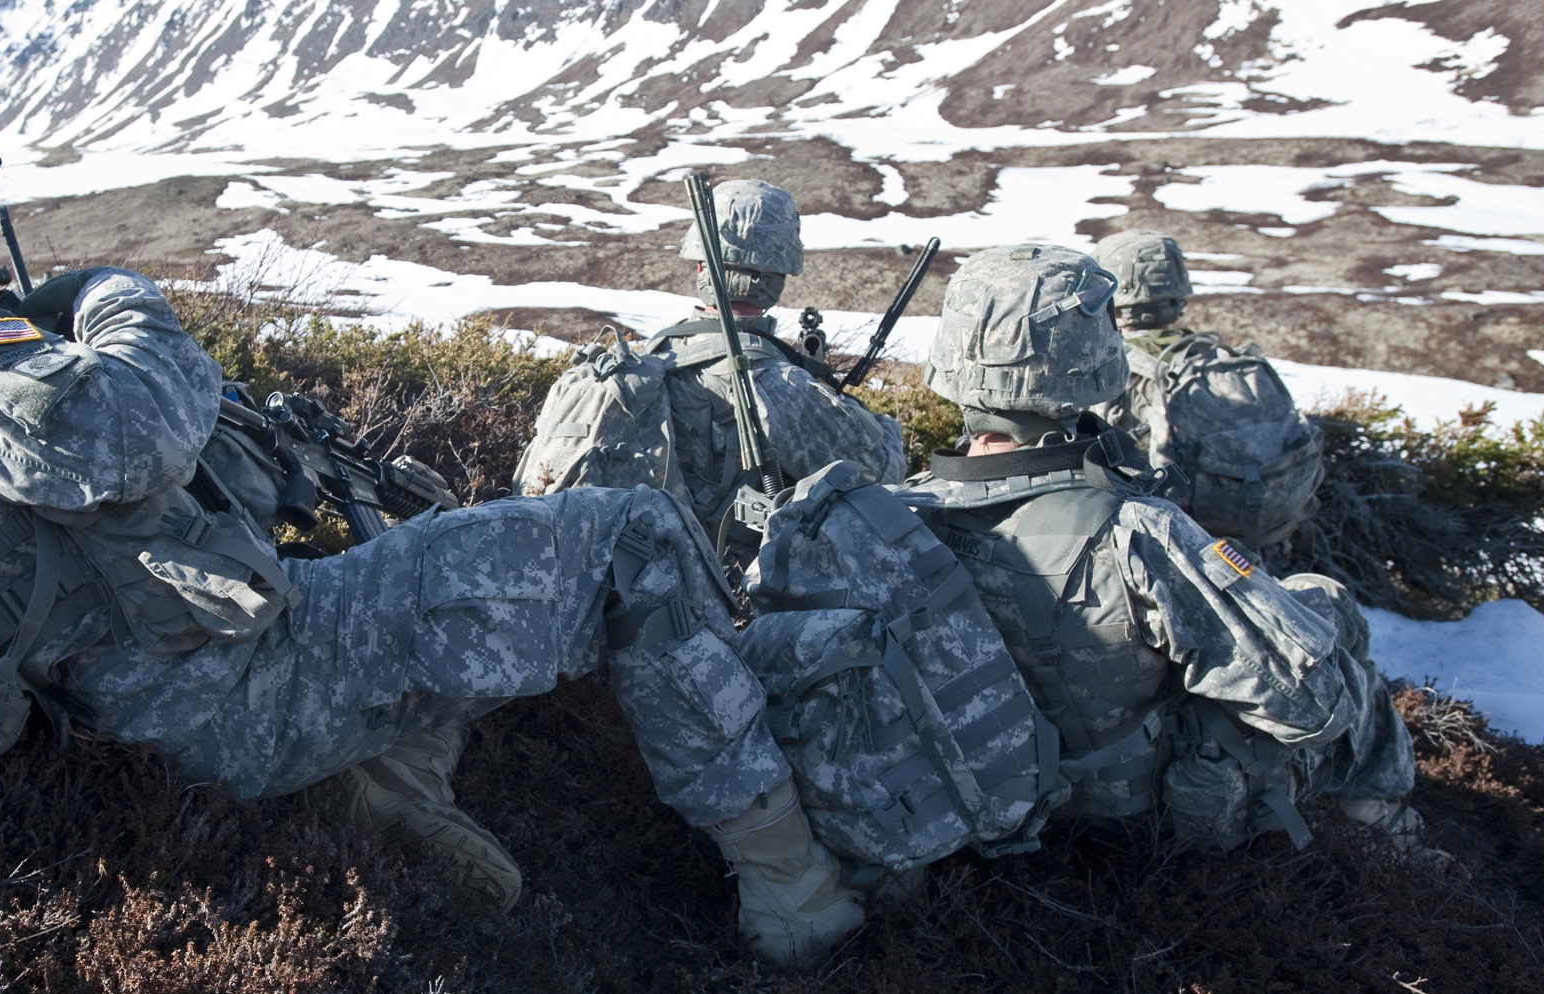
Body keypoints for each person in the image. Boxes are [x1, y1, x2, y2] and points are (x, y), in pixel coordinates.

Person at [0, 86, 863, 965]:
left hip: (121, 708)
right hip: (219, 703)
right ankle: (797, 896)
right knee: (626, 538)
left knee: (447, 554)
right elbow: (128, 435)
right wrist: (119, 295)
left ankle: (386, 793)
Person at [897, 243, 1425, 855]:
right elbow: (1311, 706)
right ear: (1090, 357)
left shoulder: (902, 511)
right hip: (1126, 820)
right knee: (1326, 603)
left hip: (975, 803)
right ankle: (1384, 823)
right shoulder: (1136, 530)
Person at [513, 179, 903, 561]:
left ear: (700, 265)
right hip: (730, 594)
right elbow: (882, 474)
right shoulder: (775, 382)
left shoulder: (652, 354)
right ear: (778, 277)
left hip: (632, 576)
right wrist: (882, 426)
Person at [1091, 230, 1323, 564]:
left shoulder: (1113, 370)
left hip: (1176, 552)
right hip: (1263, 545)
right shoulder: (1226, 360)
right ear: (1180, 290)